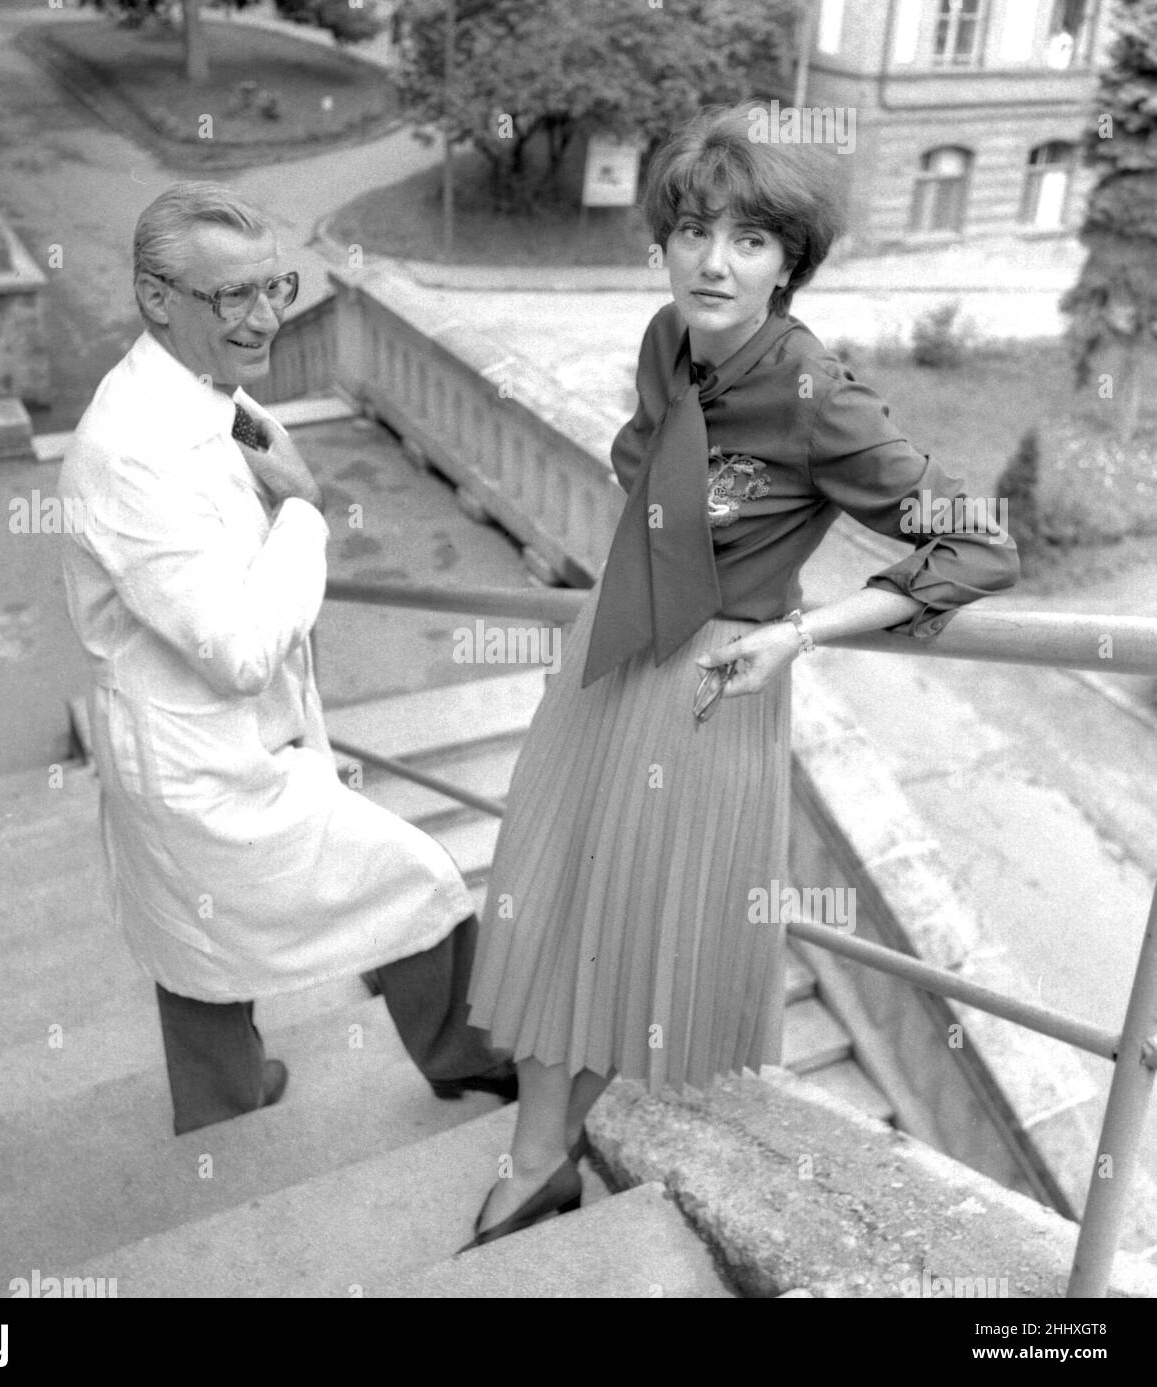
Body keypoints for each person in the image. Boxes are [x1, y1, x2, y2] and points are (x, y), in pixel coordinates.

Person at [460, 104, 1021, 1249]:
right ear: (665, 242)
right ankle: (539, 1151)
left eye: (750, 239)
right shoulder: (666, 339)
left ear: (787, 264)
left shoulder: (816, 393)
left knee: (618, 922)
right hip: (610, 656)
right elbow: (650, 471)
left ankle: (536, 1161)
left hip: (708, 687)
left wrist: (802, 634)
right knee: (547, 895)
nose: (714, 262)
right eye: (694, 231)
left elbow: (978, 543)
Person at [58, 182, 514, 1135]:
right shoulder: (133, 452)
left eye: (276, 286)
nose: (266, 316)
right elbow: (238, 651)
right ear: (155, 297)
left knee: (200, 940)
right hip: (201, 760)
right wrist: (304, 508)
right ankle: (463, 1058)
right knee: (412, 876)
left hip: (210, 750)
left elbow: (242, 519)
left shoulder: (209, 392)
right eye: (235, 294)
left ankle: (227, 1107)